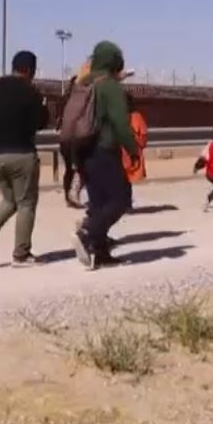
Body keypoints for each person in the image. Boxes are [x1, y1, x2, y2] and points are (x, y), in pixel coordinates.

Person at [0, 50, 49, 267]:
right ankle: (21, 254)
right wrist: (43, 106)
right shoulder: (30, 92)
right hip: (22, 153)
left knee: (10, 200)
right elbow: (41, 122)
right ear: (29, 70)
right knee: (26, 203)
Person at [72, 41, 140, 269]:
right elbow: (121, 123)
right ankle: (88, 232)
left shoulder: (83, 83)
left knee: (99, 202)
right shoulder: (110, 86)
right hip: (104, 149)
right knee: (120, 199)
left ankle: (99, 253)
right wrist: (132, 149)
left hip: (83, 150)